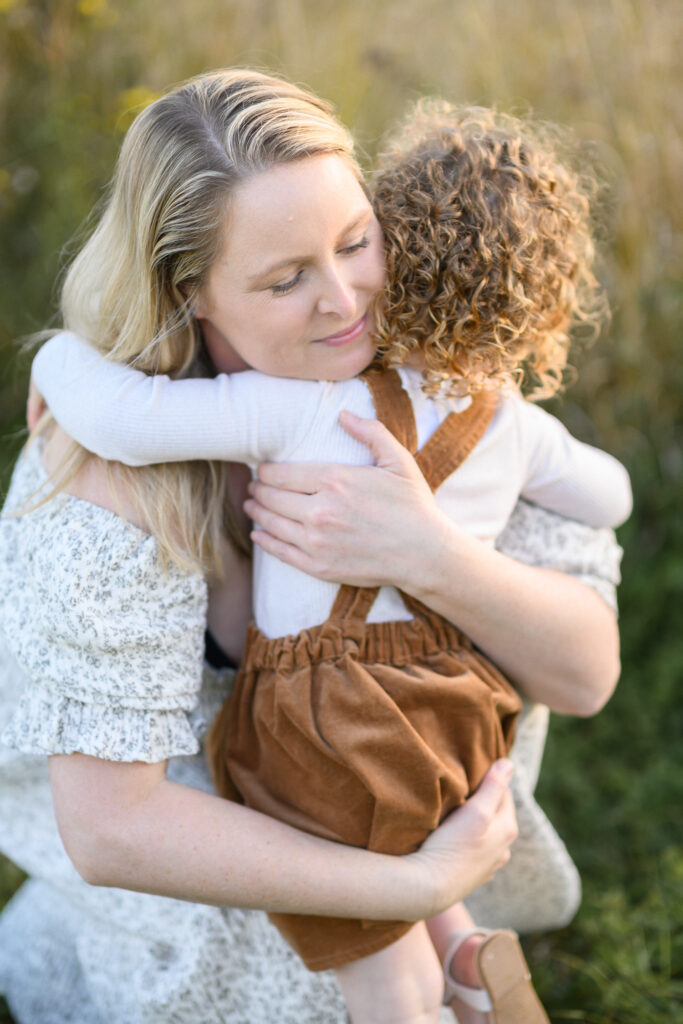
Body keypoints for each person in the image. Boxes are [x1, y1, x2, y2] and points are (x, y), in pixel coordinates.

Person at [0, 70, 622, 1024]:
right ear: (189, 292)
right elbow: (114, 831)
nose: (345, 303)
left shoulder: (431, 360)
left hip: (420, 806)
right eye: (286, 279)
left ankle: (449, 940)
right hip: (213, 871)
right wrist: (412, 889)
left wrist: (431, 556)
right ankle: (450, 944)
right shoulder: (113, 470)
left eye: (353, 242)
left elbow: (584, 678)